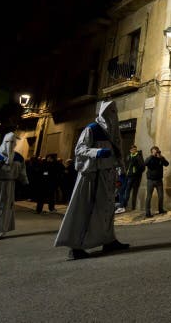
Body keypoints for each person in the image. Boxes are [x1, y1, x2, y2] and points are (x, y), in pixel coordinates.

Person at [54, 101, 129, 260]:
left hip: (107, 176)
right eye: (110, 113)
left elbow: (119, 153)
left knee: (106, 210)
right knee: (85, 209)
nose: (113, 116)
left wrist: (121, 171)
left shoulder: (114, 133)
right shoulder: (92, 129)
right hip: (92, 175)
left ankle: (109, 240)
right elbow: (79, 149)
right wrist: (97, 152)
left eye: (114, 112)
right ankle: (75, 246)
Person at [119, 144, 145, 213]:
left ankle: (124, 206)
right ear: (130, 150)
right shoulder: (129, 156)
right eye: (132, 149)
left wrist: (136, 173)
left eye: (134, 149)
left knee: (129, 190)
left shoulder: (138, 156)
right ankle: (123, 205)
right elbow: (127, 163)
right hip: (127, 175)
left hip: (133, 176)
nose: (133, 150)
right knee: (124, 190)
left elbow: (142, 166)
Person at [145, 146, 169, 217]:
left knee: (161, 196)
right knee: (149, 197)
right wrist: (152, 156)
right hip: (150, 181)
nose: (156, 152)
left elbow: (167, 164)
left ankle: (160, 209)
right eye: (154, 151)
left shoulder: (160, 158)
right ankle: (147, 212)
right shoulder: (149, 158)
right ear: (152, 152)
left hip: (159, 180)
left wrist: (161, 157)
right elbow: (145, 163)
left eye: (157, 150)